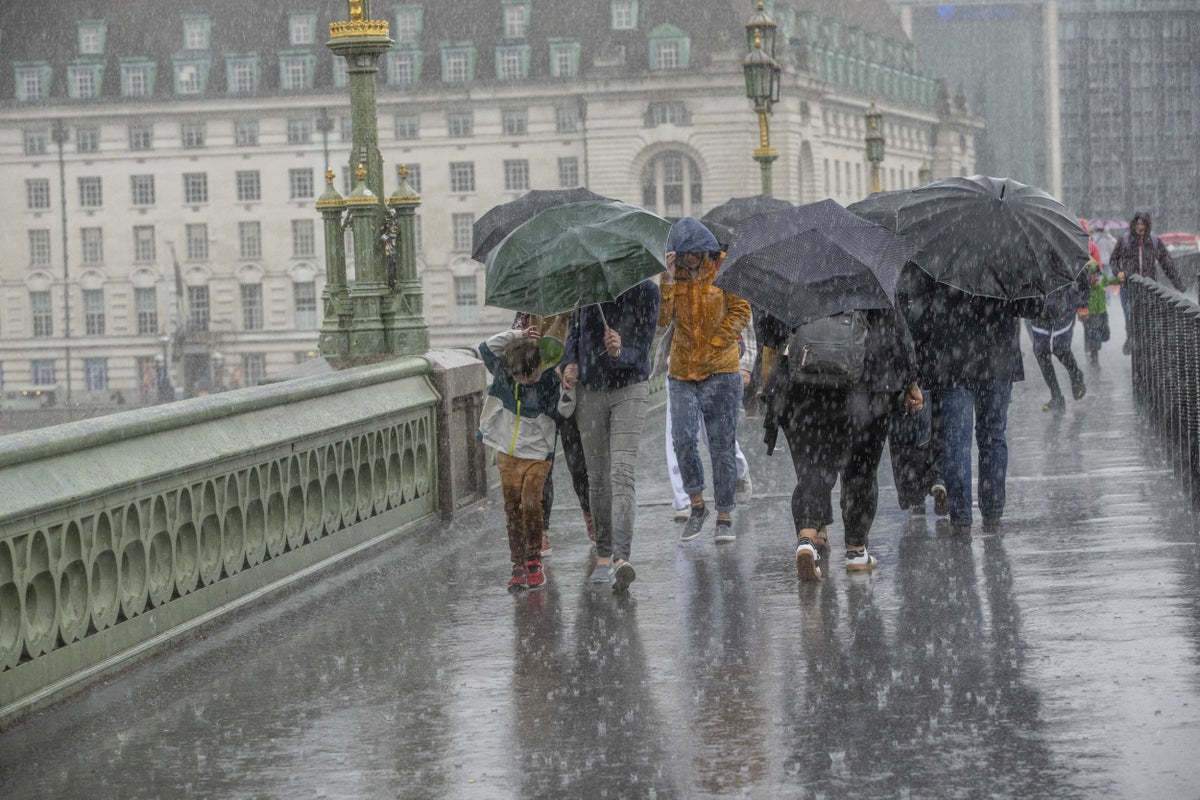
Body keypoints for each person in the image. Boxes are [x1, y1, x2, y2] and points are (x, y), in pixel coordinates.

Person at [760, 307, 923, 580]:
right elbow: (896, 331)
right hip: (868, 388)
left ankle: (807, 538)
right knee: (861, 470)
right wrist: (910, 381)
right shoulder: (869, 273)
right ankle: (856, 550)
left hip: (805, 385)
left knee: (814, 468)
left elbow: (769, 330)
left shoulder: (797, 271)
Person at [907, 269, 1041, 532]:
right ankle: (992, 513)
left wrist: (917, 366)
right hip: (998, 356)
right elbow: (1031, 305)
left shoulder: (938, 251)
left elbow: (920, 314)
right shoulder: (1007, 250)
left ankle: (961, 518)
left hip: (952, 358)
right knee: (993, 435)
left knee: (956, 440)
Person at [561, 278, 660, 592]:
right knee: (598, 476)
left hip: (630, 387)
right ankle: (603, 553)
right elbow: (574, 333)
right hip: (591, 389)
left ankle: (621, 557)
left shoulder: (646, 291)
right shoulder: (585, 287)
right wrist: (569, 363)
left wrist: (621, 351)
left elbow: (644, 348)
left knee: (621, 472)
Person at [659, 218, 752, 543]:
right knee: (683, 439)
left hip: (722, 371)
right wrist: (669, 282)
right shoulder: (672, 276)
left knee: (721, 445)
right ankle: (697, 505)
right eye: (683, 255)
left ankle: (724, 515)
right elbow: (660, 320)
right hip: (682, 372)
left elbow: (741, 310)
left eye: (695, 254)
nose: (690, 260)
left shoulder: (724, 270)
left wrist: (719, 341)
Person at [477, 325, 569, 592]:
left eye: (530, 376)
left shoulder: (549, 380)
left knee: (530, 504)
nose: (525, 380)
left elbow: (563, 412)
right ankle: (517, 563)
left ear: (538, 367)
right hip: (508, 453)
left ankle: (534, 561)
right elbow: (485, 348)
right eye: (520, 376)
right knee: (512, 510)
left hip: (538, 455)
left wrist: (568, 389)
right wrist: (516, 335)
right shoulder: (505, 375)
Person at [512, 312, 593, 554]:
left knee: (578, 462)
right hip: (539, 393)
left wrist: (569, 362)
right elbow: (515, 346)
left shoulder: (578, 307)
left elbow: (586, 339)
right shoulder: (528, 309)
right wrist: (525, 339)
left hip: (571, 388)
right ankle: (541, 528)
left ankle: (590, 515)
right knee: (541, 464)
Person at [1111, 211, 1185, 354]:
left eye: (1143, 224)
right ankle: (1131, 338)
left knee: (1147, 319)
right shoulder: (1125, 240)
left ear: (1147, 225)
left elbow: (1167, 263)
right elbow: (1114, 259)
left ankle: (1143, 349)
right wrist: (1118, 272)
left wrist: (1178, 284)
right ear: (1134, 225)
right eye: (1138, 223)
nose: (1140, 227)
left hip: (1149, 288)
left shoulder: (1154, 242)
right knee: (1130, 318)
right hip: (1129, 288)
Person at [1026, 269, 1089, 413]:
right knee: (1040, 351)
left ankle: (1076, 375)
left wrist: (1083, 304)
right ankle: (1056, 396)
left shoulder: (1064, 251)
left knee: (1060, 348)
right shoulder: (1029, 255)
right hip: (1039, 309)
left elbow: (1084, 283)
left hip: (1065, 307)